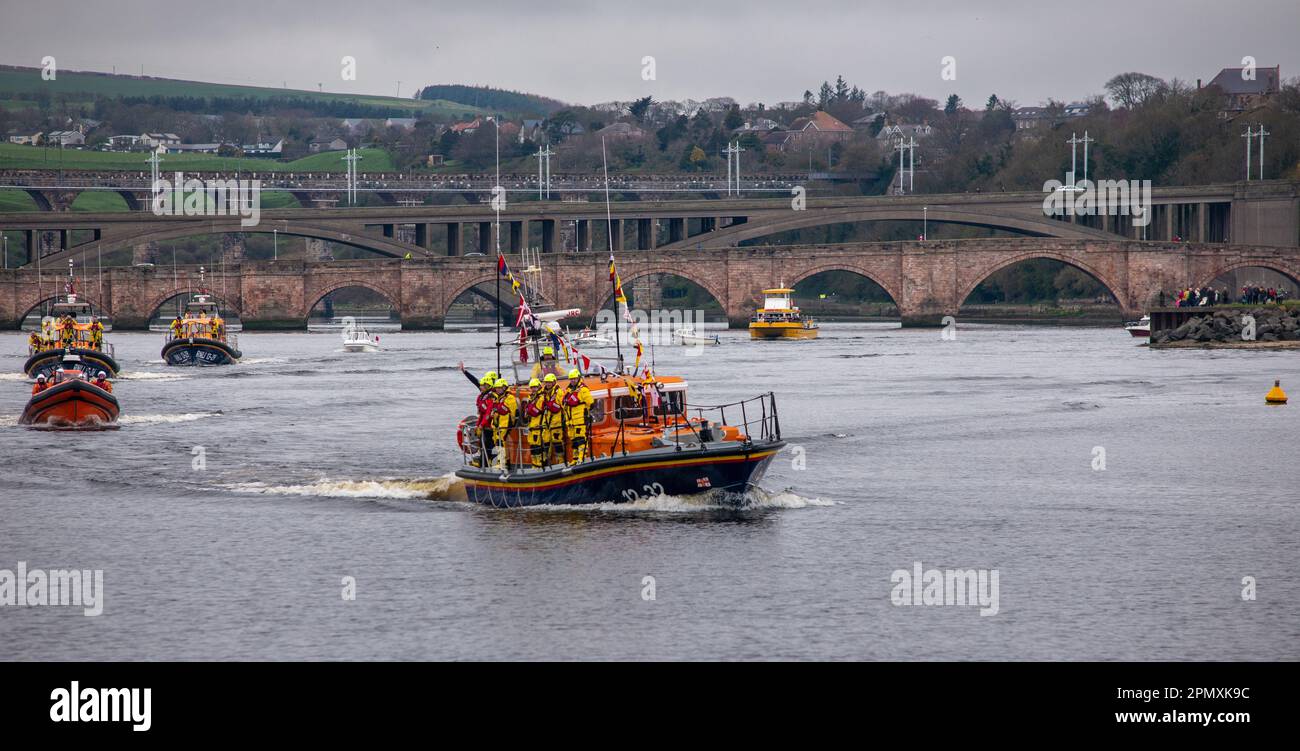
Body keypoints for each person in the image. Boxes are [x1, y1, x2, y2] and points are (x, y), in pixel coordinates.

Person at [562, 369, 595, 463]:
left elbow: (591, 404)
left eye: (574, 379)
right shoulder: (569, 390)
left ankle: (581, 458)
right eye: (571, 379)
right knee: (574, 441)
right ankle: (575, 459)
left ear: (578, 378)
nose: (573, 380)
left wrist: (585, 413)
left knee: (581, 440)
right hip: (571, 420)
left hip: (580, 419)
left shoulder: (583, 389)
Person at [490, 378, 517, 468]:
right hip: (497, 425)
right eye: (496, 388)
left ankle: (502, 462)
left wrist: (499, 408)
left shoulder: (510, 398)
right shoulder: (497, 398)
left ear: (504, 388)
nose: (497, 389)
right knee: (497, 442)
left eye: (499, 387)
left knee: (501, 442)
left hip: (505, 424)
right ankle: (503, 462)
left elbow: (511, 412)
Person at [542, 373, 566, 465]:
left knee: (557, 443)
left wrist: (550, 405)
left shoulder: (558, 392)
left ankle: (561, 462)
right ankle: (545, 462)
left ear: (554, 382)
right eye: (546, 382)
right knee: (546, 442)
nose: (548, 384)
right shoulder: (544, 393)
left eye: (549, 382)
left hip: (556, 422)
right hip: (547, 422)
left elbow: (559, 407)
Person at [524, 377, 547, 468]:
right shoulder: (531, 398)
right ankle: (535, 464)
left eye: (535, 387)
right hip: (532, 425)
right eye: (532, 387)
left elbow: (536, 411)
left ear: (539, 387)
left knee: (538, 446)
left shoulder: (541, 398)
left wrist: (529, 409)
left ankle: (540, 464)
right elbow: (526, 413)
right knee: (533, 447)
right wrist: (528, 409)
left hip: (539, 425)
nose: (533, 389)